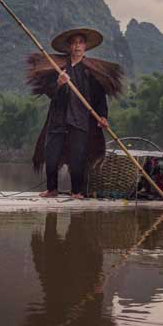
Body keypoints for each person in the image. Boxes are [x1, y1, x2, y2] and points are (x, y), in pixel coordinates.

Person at [25, 27, 124, 199]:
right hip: (57, 119)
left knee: (78, 158)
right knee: (51, 155)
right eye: (74, 43)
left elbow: (100, 97)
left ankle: (76, 191)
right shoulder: (58, 68)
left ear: (85, 46)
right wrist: (59, 83)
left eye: (80, 42)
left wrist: (103, 116)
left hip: (80, 120)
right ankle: (52, 189)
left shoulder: (91, 71)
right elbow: (50, 93)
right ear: (69, 47)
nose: (77, 46)